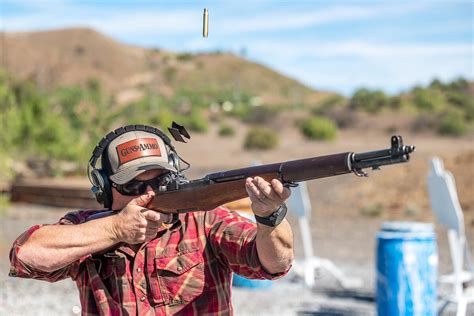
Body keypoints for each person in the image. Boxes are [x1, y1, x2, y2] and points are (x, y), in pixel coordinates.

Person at [9, 124, 294, 315]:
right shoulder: (88, 228)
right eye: (132, 185)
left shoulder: (204, 220)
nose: (147, 193)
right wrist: (116, 228)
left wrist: (269, 217)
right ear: (106, 189)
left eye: (159, 182)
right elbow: (25, 256)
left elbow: (274, 263)